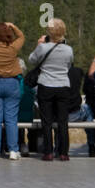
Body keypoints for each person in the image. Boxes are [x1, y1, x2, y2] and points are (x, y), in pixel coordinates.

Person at [28, 18, 74, 161]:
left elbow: (31, 60)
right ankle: (64, 153)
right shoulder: (68, 49)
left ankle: (48, 152)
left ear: (49, 32)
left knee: (46, 121)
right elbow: (69, 63)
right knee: (62, 121)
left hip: (46, 85)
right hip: (63, 85)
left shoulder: (43, 48)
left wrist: (39, 45)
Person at [0, 21, 25, 160]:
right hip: (12, 83)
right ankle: (13, 151)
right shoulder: (13, 48)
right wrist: (13, 26)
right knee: (11, 119)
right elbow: (21, 37)